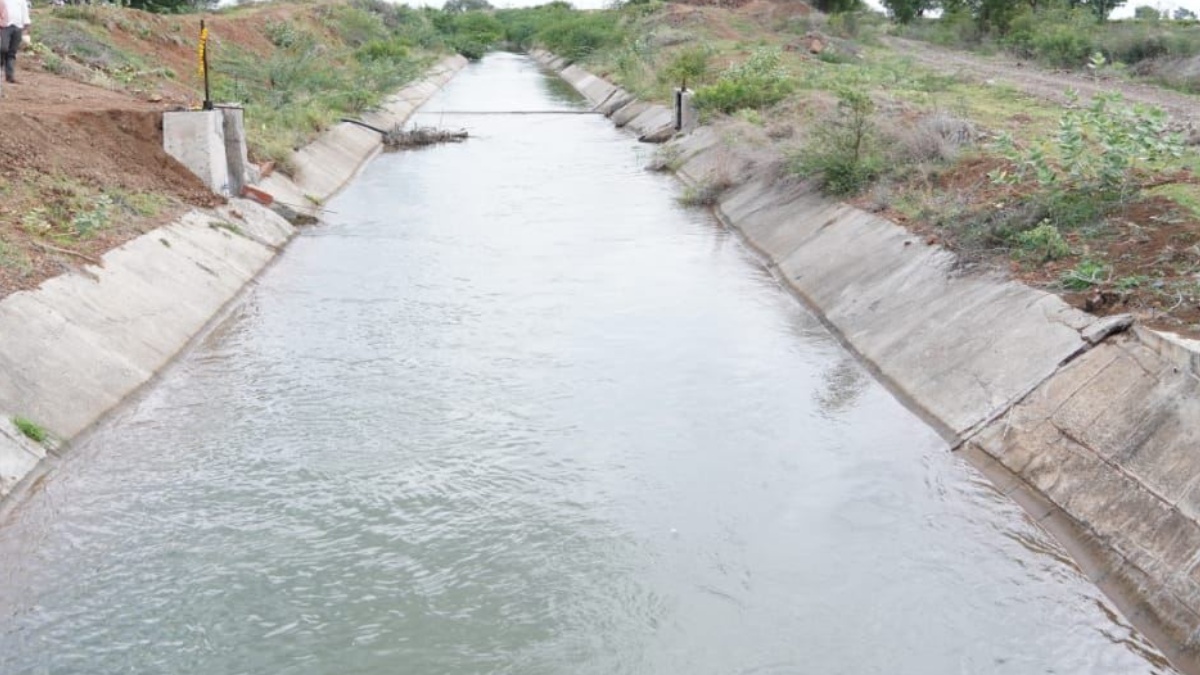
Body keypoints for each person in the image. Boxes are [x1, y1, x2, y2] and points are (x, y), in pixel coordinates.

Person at [0, 0, 30, 85]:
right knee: (3, 48)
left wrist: (26, 26)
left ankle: (10, 76)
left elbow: (25, 12)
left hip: (18, 27)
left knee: (12, 52)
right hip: (5, 26)